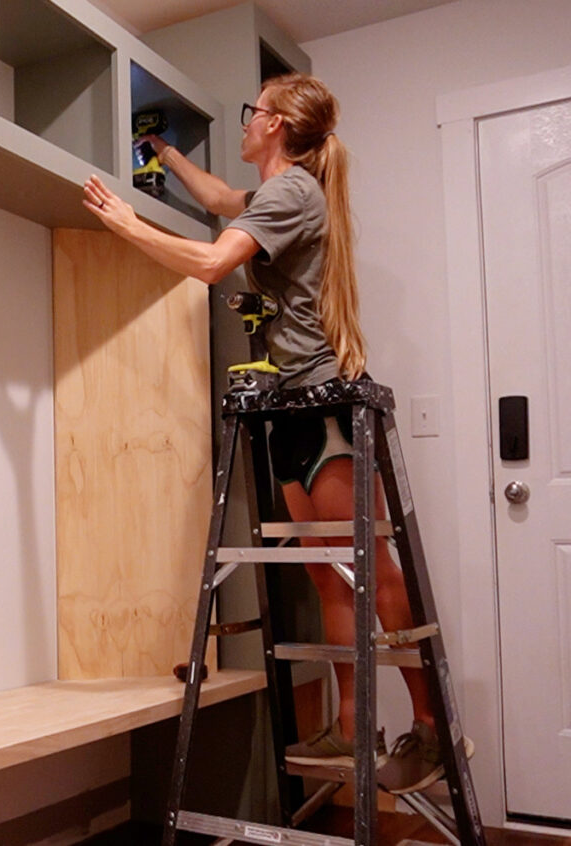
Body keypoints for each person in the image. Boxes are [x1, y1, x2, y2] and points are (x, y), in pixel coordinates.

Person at [83, 73, 446, 794]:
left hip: (321, 400)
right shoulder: (282, 191)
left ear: (275, 124)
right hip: (291, 401)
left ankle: (428, 728)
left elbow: (216, 262)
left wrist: (126, 223)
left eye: (251, 113)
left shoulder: (292, 193)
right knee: (328, 572)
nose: (245, 121)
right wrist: (163, 151)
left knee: (366, 569)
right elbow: (221, 204)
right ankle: (351, 729)